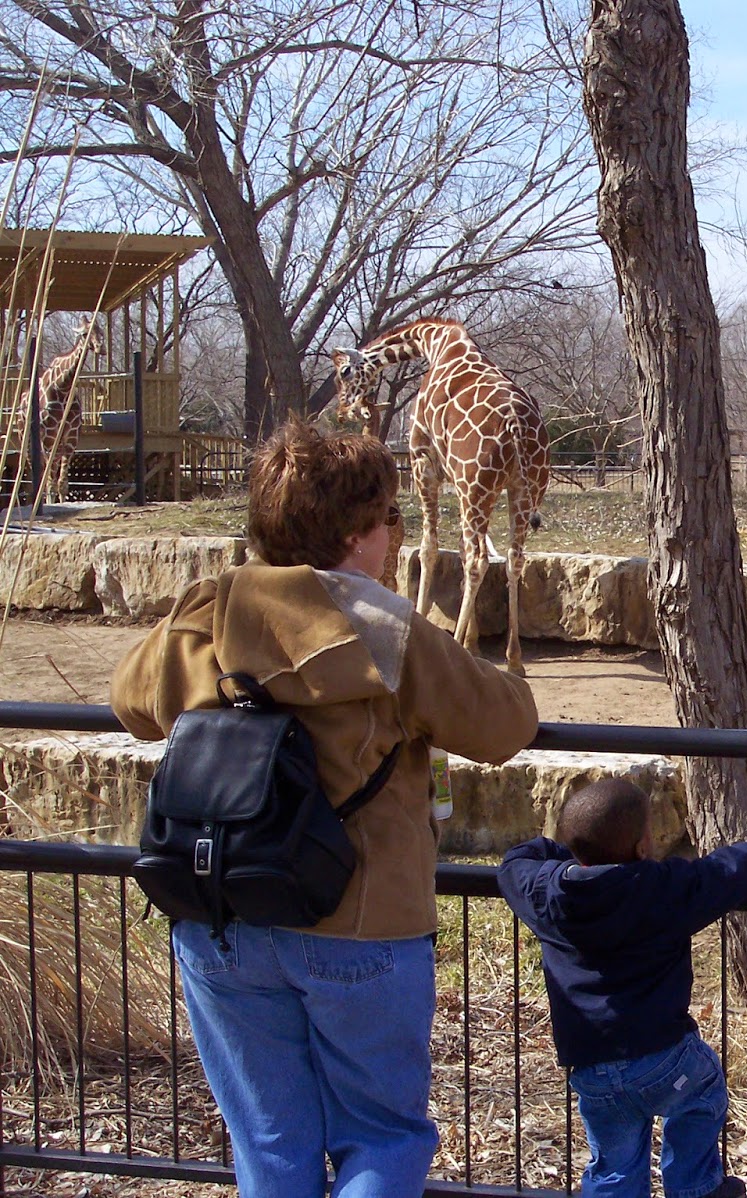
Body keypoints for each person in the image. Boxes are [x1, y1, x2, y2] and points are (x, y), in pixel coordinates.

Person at [111, 417, 540, 1198]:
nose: (392, 538)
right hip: (361, 924)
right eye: (388, 521)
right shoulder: (383, 629)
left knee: (271, 1146)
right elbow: (506, 724)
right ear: (353, 534)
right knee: (382, 1136)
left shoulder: (204, 611)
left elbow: (130, 703)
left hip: (220, 912)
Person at [497, 778, 747, 1198]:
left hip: (592, 1070)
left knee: (612, 1167)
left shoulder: (545, 892)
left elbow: (514, 862)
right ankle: (696, 1189)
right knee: (702, 1087)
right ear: (642, 847)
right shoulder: (660, 888)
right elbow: (720, 872)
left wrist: (565, 853)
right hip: (666, 1060)